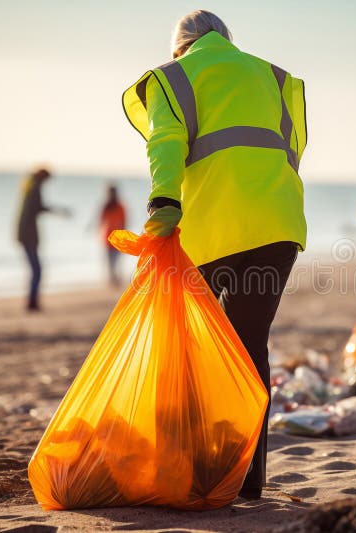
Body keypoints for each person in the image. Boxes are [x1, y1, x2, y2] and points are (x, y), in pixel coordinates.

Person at [122, 10, 307, 500]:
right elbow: (294, 147)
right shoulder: (272, 76)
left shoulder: (173, 77)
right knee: (250, 347)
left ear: (179, 46)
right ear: (227, 39)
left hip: (210, 230)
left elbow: (165, 143)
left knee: (188, 349)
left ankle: (191, 467)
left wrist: (163, 203)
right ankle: (249, 479)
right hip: (278, 225)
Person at [16, 168, 69, 311]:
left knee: (35, 270)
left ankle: (32, 301)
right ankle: (32, 302)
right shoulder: (34, 187)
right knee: (37, 270)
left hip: (25, 234)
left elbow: (35, 209)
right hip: (28, 235)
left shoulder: (30, 185)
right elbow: (38, 208)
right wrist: (60, 211)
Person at [99, 184, 127, 286]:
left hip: (117, 238)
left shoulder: (120, 206)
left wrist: (123, 235)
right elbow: (101, 220)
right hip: (107, 237)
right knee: (110, 261)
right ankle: (112, 279)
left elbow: (124, 221)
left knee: (116, 260)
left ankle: (115, 279)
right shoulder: (106, 206)